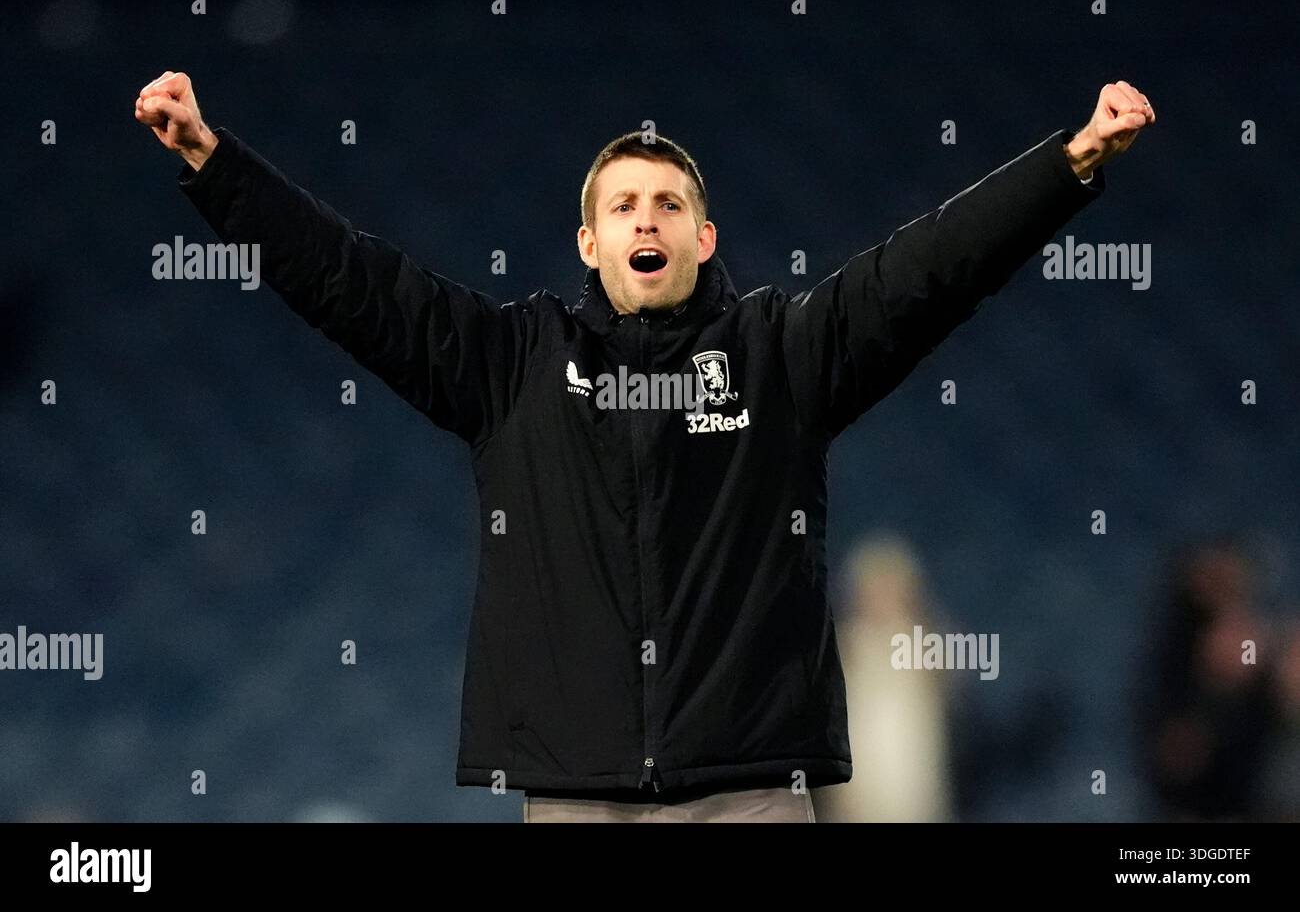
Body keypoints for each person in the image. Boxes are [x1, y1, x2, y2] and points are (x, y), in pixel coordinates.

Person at [135, 71, 1153, 822]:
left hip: (749, 794)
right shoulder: (511, 365)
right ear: (589, 244)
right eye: (621, 205)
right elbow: (350, 284)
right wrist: (214, 166)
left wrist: (1069, 166)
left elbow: (930, 268)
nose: (646, 217)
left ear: (705, 239)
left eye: (669, 203)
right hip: (577, 800)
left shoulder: (781, 357)